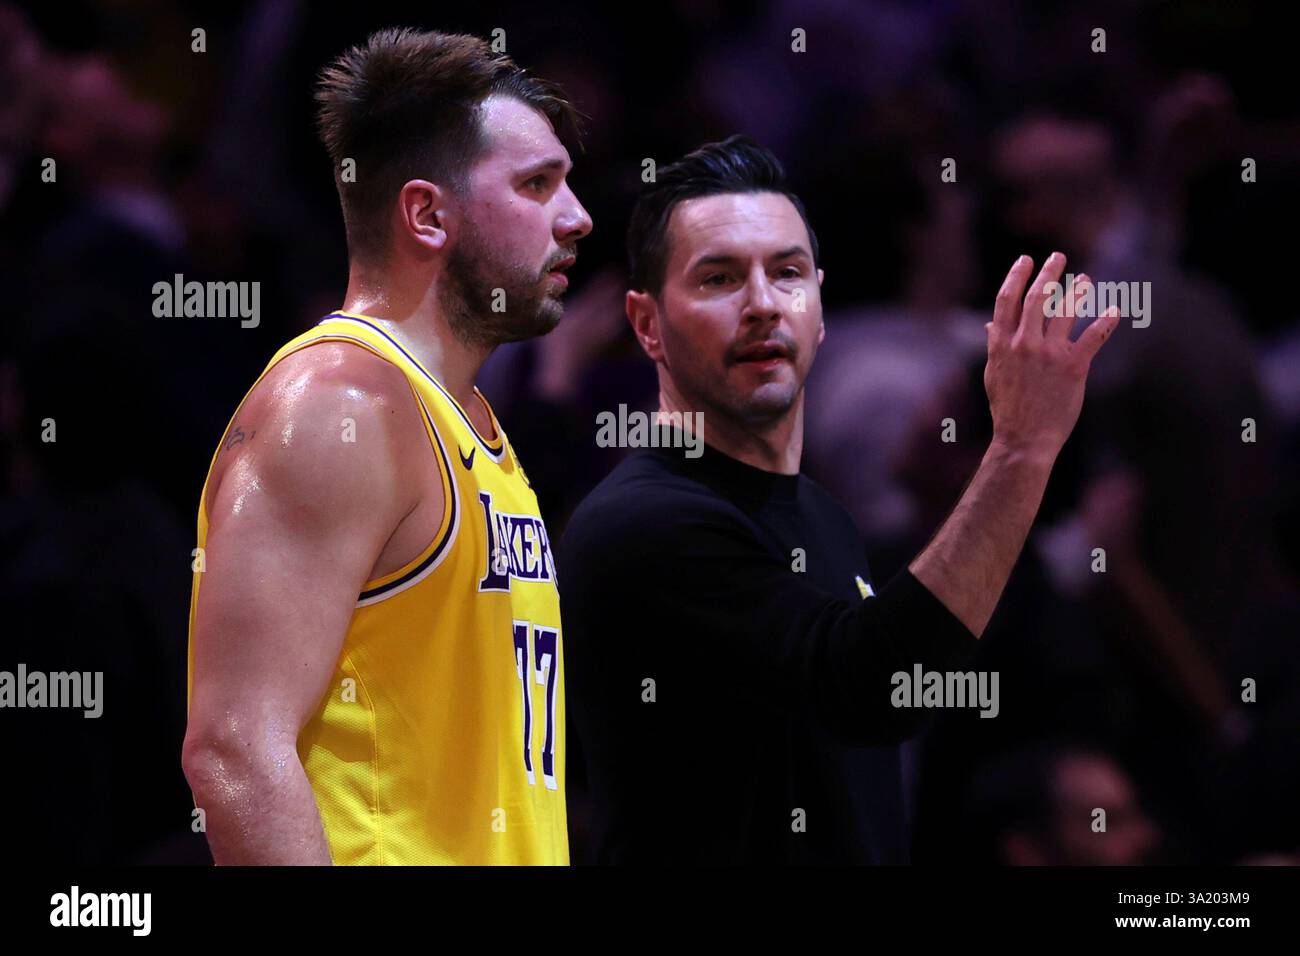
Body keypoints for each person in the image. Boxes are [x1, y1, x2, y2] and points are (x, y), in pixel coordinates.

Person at [560, 136, 1119, 863]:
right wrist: (1020, 449)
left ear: (820, 308)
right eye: (719, 279)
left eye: (787, 273)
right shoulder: (644, 525)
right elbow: (877, 685)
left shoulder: (824, 517)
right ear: (646, 325)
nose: (763, 304)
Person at [182, 28, 592, 865]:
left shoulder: (466, 420)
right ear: (427, 214)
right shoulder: (341, 405)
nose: (577, 216)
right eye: (536, 184)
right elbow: (233, 749)